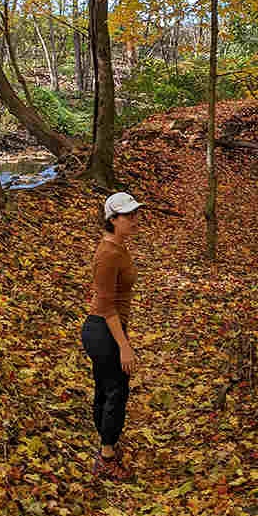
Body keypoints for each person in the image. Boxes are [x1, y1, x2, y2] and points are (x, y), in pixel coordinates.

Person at [81, 191, 142, 480]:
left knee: (108, 389)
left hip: (108, 328)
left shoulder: (118, 246)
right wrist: (124, 346)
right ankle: (106, 457)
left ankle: (107, 444)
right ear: (112, 219)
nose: (134, 219)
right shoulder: (107, 254)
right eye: (128, 215)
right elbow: (106, 306)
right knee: (116, 392)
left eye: (134, 213)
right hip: (104, 329)